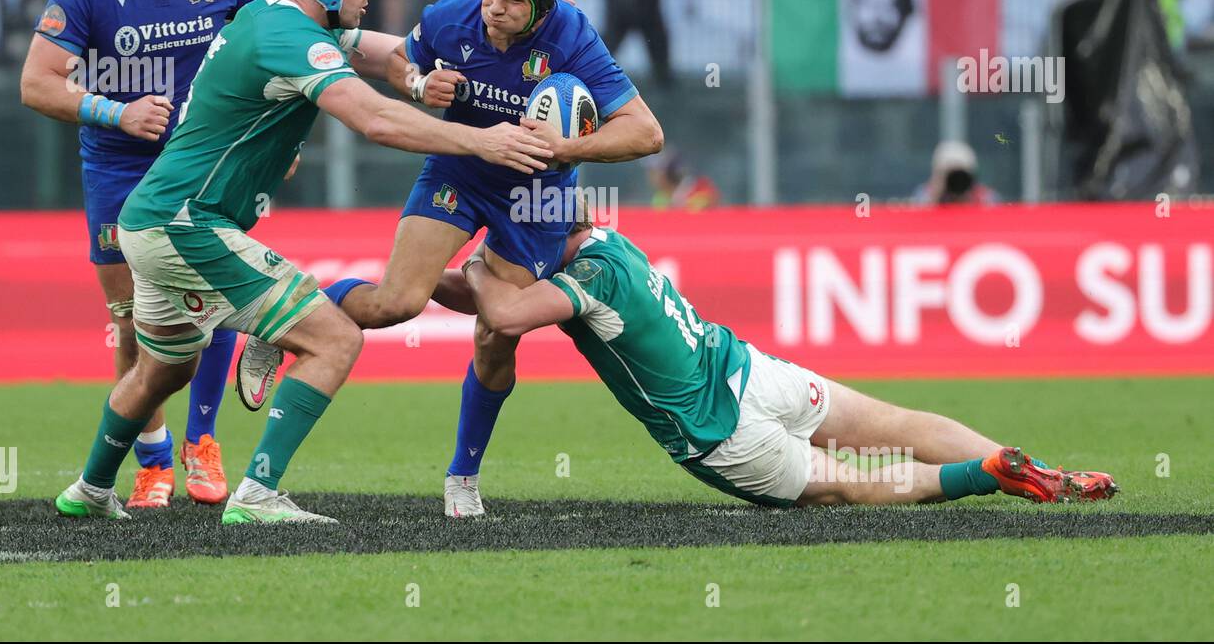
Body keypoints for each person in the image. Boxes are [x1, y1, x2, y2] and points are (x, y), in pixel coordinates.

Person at [53, 0, 553, 523]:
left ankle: (90, 488)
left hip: (155, 220)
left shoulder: (282, 19)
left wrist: (462, 56)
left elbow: (385, 52)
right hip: (188, 223)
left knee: (165, 368)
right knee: (335, 339)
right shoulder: (295, 39)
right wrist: (482, 141)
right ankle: (259, 492)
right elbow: (375, 121)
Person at [235, 0, 665, 519]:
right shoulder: (451, 13)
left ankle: (463, 473)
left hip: (534, 193)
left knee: (496, 331)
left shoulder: (573, 37)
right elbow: (398, 61)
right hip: (459, 169)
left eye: (512, 1)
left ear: (543, 8)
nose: (493, 7)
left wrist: (567, 146)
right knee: (396, 302)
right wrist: (417, 84)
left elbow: (646, 133)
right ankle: (279, 325)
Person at [454, 216, 1117, 508]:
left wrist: (477, 263)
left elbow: (504, 314)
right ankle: (1031, 466)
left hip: (720, 434)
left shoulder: (585, 284)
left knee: (856, 488)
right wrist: (427, 276)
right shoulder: (611, 243)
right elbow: (500, 298)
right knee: (899, 423)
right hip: (754, 372)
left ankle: (985, 474)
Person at [21, 0, 261, 509]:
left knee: (215, 302)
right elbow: (36, 83)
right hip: (117, 165)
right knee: (132, 324)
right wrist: (115, 111)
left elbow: (269, 41)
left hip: (201, 161)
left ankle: (201, 442)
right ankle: (151, 455)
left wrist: (270, 132)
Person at [913, 140, 999, 205]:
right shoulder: (925, 195)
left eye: (961, 177)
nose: (956, 182)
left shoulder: (985, 198)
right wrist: (935, 196)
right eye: (951, 176)